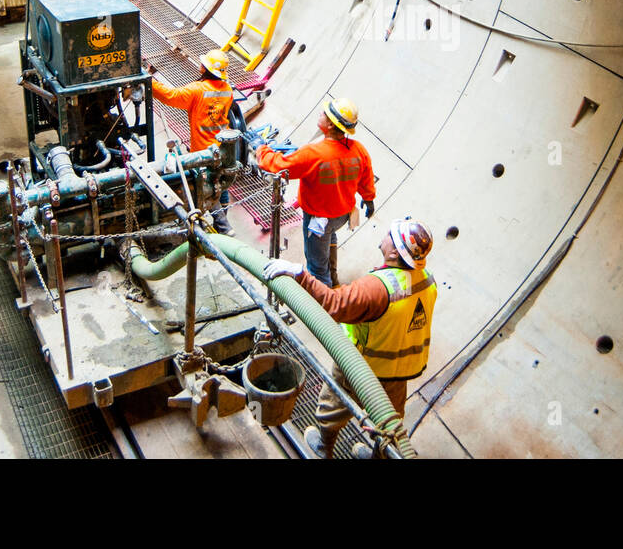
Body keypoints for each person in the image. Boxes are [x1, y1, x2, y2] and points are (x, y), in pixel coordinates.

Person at [265, 217, 436, 458]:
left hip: (361, 368)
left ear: (395, 253)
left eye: (390, 234)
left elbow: (335, 304)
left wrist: (300, 274)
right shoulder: (427, 279)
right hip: (401, 371)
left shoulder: (377, 288)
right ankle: (379, 456)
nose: (385, 234)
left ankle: (324, 448)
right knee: (388, 423)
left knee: (332, 407)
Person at [255, 97, 375, 286]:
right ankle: (333, 280)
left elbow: (278, 165)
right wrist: (369, 199)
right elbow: (366, 177)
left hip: (318, 219)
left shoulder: (313, 153)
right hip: (342, 215)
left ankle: (323, 306)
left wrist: (261, 149)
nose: (320, 113)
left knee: (317, 268)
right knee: (330, 237)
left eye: (324, 113)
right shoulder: (358, 150)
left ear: (330, 123)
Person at [146, 49, 234, 232]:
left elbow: (170, 96)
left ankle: (212, 227)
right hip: (223, 149)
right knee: (221, 185)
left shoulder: (197, 90)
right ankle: (223, 220)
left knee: (201, 189)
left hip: (203, 152)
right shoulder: (227, 90)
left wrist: (150, 82)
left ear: (205, 68)